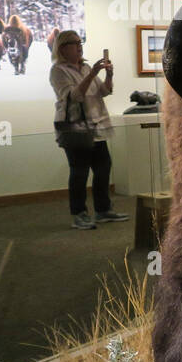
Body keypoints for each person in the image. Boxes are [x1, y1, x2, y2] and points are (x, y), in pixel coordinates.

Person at [49, 30, 129, 229]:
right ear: (62, 48)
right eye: (74, 43)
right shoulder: (58, 71)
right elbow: (75, 96)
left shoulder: (85, 67)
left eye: (80, 42)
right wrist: (93, 73)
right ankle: (79, 214)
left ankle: (103, 210)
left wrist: (109, 75)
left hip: (97, 127)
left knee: (103, 169)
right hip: (76, 129)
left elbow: (104, 91)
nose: (79, 46)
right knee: (79, 172)